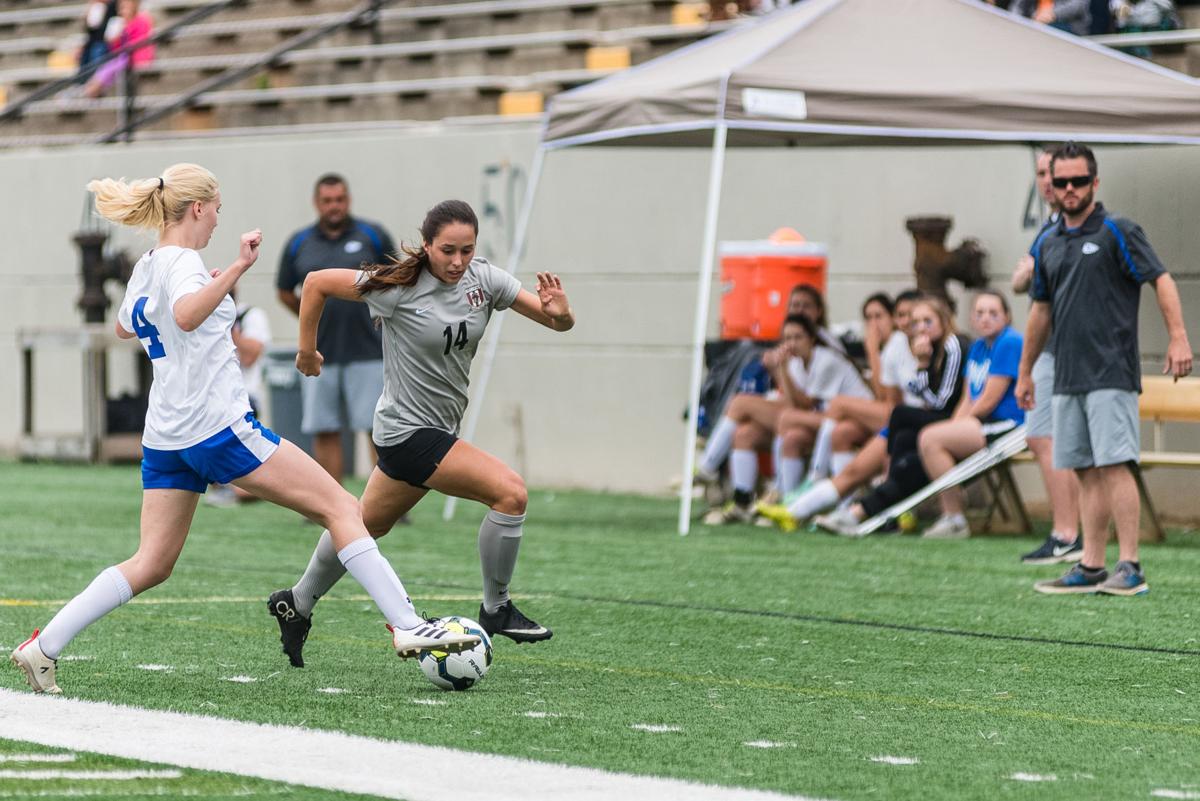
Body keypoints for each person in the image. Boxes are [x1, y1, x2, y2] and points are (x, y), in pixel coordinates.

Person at [9, 167, 478, 695]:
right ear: (197, 208)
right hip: (217, 428)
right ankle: (407, 625)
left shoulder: (149, 264)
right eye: (217, 208)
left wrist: (205, 287)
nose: (217, 219)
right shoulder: (183, 262)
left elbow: (124, 325)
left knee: (152, 562)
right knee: (344, 509)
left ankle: (44, 646)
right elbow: (186, 316)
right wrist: (234, 269)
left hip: (166, 437)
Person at [267, 200, 574, 668]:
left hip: (433, 430)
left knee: (361, 524)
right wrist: (307, 351)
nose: (457, 261)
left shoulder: (485, 280)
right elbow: (315, 283)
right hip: (408, 433)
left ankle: (297, 602)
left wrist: (562, 314)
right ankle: (496, 608)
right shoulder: (398, 287)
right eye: (447, 250)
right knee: (510, 493)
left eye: (466, 250)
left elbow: (555, 320)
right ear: (427, 245)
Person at [1016, 141, 1192, 596]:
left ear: (1094, 182)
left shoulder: (1118, 230)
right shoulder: (1048, 242)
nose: (1069, 189)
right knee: (1084, 469)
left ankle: (1130, 566)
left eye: (1079, 180)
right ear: (1051, 186)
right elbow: (1040, 311)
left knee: (1115, 465)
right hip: (1067, 375)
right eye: (1061, 181)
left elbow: (1161, 279)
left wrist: (1178, 337)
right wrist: (1025, 371)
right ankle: (1092, 565)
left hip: (1111, 371)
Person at [757, 290, 923, 529]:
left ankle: (813, 479)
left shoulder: (903, 343)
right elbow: (889, 399)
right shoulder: (895, 345)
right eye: (869, 318)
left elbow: (886, 400)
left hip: (907, 421)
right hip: (894, 419)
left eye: (879, 316)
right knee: (840, 433)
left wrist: (871, 350)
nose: (874, 324)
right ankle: (832, 509)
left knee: (833, 406)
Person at [813, 296, 967, 536]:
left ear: (943, 320)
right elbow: (912, 393)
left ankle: (876, 485)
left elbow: (940, 402)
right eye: (916, 323)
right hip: (936, 422)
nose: (921, 328)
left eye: (928, 321)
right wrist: (922, 362)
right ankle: (883, 507)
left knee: (898, 415)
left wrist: (922, 364)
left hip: (953, 422)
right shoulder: (929, 348)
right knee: (904, 440)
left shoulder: (953, 345)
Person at [277, 174, 395, 485]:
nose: (334, 206)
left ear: (348, 200)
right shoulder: (299, 242)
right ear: (317, 203)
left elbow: (398, 283)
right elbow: (284, 291)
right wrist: (311, 320)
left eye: (340, 199)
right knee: (324, 428)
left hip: (369, 351)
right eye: (328, 201)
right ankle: (334, 502)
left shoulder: (373, 235)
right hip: (320, 353)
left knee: (377, 429)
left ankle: (382, 503)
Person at [701, 314, 865, 525]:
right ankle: (763, 504)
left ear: (812, 339)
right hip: (821, 422)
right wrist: (780, 370)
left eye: (798, 337)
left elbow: (803, 404)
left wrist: (781, 370)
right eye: (787, 338)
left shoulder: (825, 360)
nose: (792, 343)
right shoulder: (795, 362)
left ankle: (711, 468)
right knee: (749, 434)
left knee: (743, 404)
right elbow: (792, 402)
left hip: (851, 421)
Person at [1013, 148, 1082, 565]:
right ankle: (1067, 532)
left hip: (1064, 350)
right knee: (1046, 438)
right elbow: (1021, 282)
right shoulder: (1049, 230)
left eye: (1051, 173)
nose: (1047, 182)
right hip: (1046, 349)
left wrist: (1026, 274)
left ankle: (1068, 533)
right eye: (1041, 173)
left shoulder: (1080, 228)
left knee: (1049, 439)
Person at [915, 291, 1025, 539]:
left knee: (930, 438)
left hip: (1009, 424)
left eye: (993, 313)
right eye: (980, 313)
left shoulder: (1010, 342)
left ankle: (954, 517)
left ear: (1007, 316)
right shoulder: (977, 347)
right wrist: (954, 426)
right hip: (983, 422)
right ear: (972, 319)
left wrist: (955, 428)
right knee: (932, 436)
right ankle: (951, 513)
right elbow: (968, 398)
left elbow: (988, 400)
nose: (986, 318)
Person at [205, 287, 271, 507]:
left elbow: (249, 357)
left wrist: (229, 325)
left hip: (245, 396)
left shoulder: (251, 316)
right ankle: (224, 485)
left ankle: (241, 486)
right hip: (213, 395)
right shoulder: (202, 318)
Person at [84, 0, 154, 99]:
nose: (123, 10)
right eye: (122, 7)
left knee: (111, 66)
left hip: (137, 55)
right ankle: (94, 88)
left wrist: (125, 30)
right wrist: (114, 40)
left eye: (126, 7)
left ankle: (95, 88)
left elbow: (140, 42)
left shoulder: (141, 20)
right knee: (108, 63)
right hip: (125, 56)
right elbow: (116, 48)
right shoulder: (121, 23)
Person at [77, 0, 116, 77]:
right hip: (92, 43)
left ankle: (94, 78)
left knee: (98, 50)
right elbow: (90, 30)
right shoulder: (96, 7)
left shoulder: (112, 6)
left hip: (102, 44)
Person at [1011, 0, 1092, 34]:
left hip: (1066, 25)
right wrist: (1015, 20)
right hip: (1031, 23)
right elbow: (1018, 7)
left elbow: (1078, 6)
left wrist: (1052, 14)